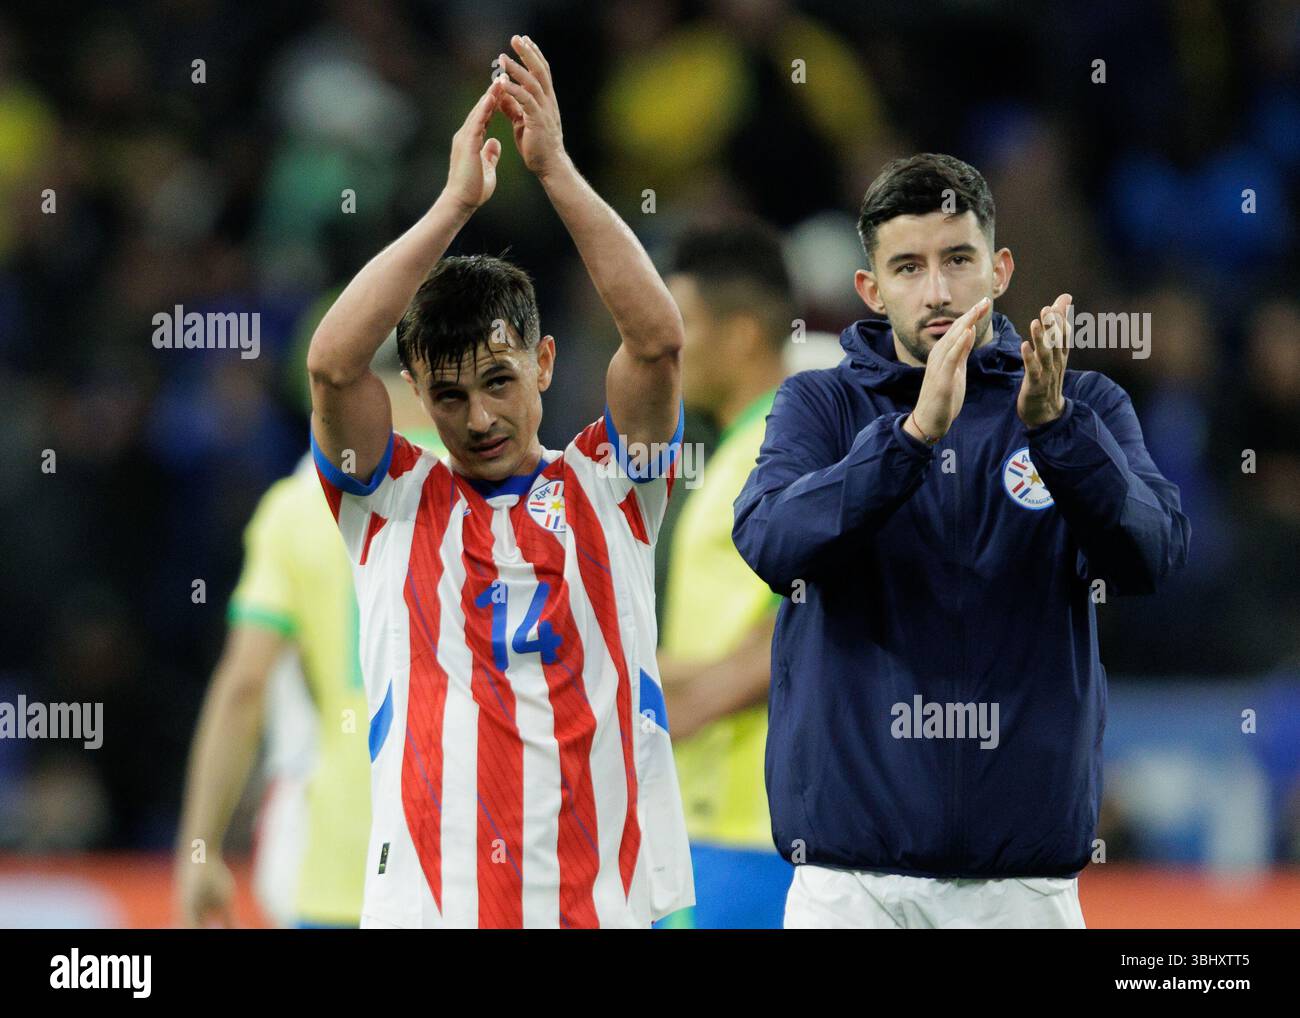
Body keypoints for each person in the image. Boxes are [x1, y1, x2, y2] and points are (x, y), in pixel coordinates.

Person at [732, 153, 1191, 929]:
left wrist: (1057, 433)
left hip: (1022, 889)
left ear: (1000, 269)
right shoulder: (822, 404)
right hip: (851, 885)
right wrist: (909, 440)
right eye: (908, 267)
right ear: (870, 291)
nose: (938, 291)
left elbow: (1150, 556)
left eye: (957, 260)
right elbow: (772, 540)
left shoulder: (1082, 402)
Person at [305, 34, 691, 929]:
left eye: (497, 381)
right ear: (417, 396)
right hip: (431, 910)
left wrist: (553, 170)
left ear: (546, 363)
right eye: (447, 394)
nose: (477, 418)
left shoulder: (612, 486)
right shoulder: (390, 501)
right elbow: (332, 368)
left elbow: (659, 340)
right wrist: (451, 205)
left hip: (601, 905)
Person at [175, 346, 445, 929]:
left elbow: (244, 685)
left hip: (346, 861)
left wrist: (200, 848)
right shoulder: (498, 485)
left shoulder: (296, 508)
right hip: (483, 859)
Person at [656, 220, 794, 928]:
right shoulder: (735, 448)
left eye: (684, 322)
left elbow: (796, 630)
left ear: (742, 334)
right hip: (706, 812)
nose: (668, 342)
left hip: (754, 823)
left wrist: (663, 712)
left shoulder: (785, 450)